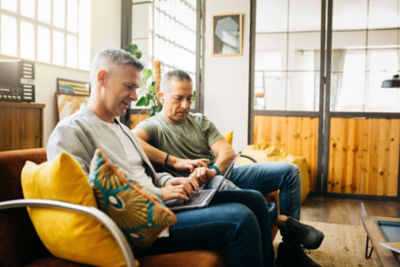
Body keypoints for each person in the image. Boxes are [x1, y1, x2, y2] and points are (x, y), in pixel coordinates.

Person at [46, 48, 276, 267]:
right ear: (102, 78)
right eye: (129, 87)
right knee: (239, 220)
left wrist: (167, 181)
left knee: (254, 199)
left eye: (136, 88)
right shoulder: (72, 131)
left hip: (162, 202)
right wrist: (159, 194)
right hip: (142, 222)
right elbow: (90, 195)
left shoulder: (121, 127)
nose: (135, 97)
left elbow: (143, 173)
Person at [133, 69, 325, 267]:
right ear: (161, 97)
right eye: (178, 98)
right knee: (216, 183)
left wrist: (214, 169)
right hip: (201, 185)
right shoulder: (153, 126)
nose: (186, 105)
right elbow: (132, 140)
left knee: (289, 172)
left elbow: (226, 151)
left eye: (189, 98)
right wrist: (173, 161)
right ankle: (281, 220)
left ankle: (290, 250)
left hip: (223, 172)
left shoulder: (200, 121)